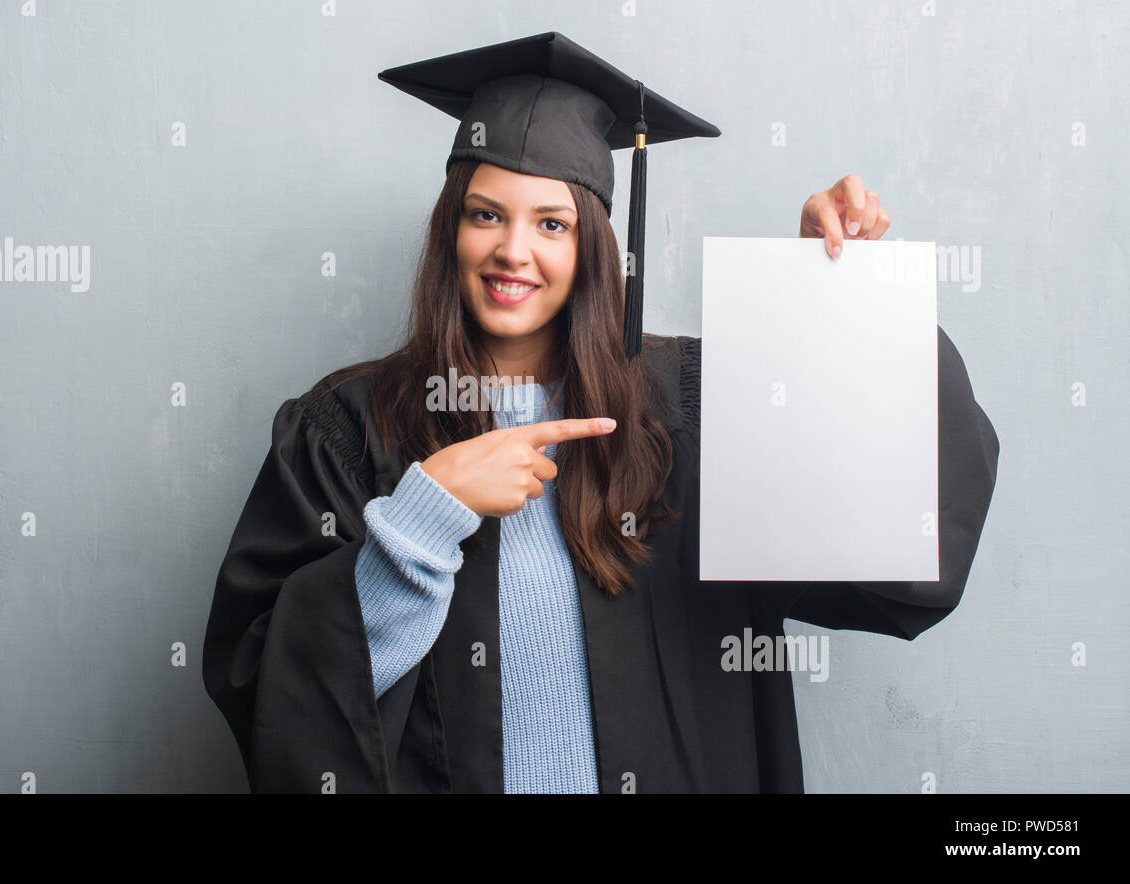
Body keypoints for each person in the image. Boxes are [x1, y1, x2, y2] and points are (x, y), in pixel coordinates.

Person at [201, 32, 1000, 794]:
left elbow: (890, 550)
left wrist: (833, 302)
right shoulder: (351, 430)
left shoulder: (688, 407)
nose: (514, 249)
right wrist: (415, 524)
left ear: (594, 247)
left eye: (552, 223)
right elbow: (267, 689)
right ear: (453, 230)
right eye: (486, 214)